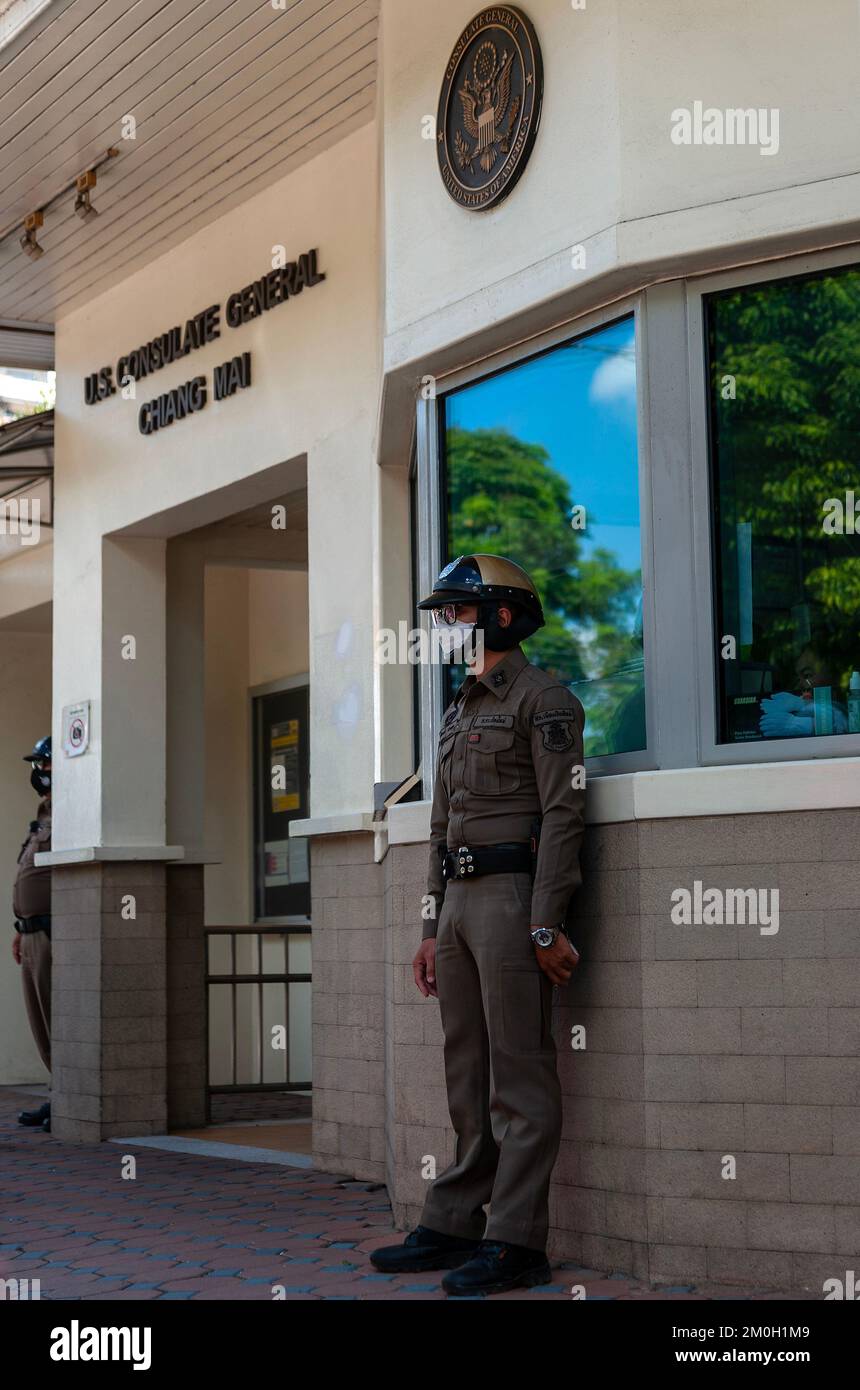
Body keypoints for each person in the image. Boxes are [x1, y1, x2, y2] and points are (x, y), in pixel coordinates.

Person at [370, 554, 586, 1296]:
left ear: (502, 616)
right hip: (459, 902)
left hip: (512, 899)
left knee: (519, 1076)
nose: (448, 627)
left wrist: (545, 922)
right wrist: (431, 924)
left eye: (459, 613)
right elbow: (440, 824)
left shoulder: (544, 698)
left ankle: (517, 1241)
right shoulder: (458, 709)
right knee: (465, 1070)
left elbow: (563, 814)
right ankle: (457, 1217)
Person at [12, 735, 53, 1133]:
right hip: (30, 933)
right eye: (39, 766)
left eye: (46, 765)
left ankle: (69, 1095)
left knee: (58, 1016)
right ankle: (59, 1092)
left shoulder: (71, 812)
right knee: (40, 1020)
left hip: (51, 933)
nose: (40, 773)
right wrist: (18, 928)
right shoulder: (43, 814)